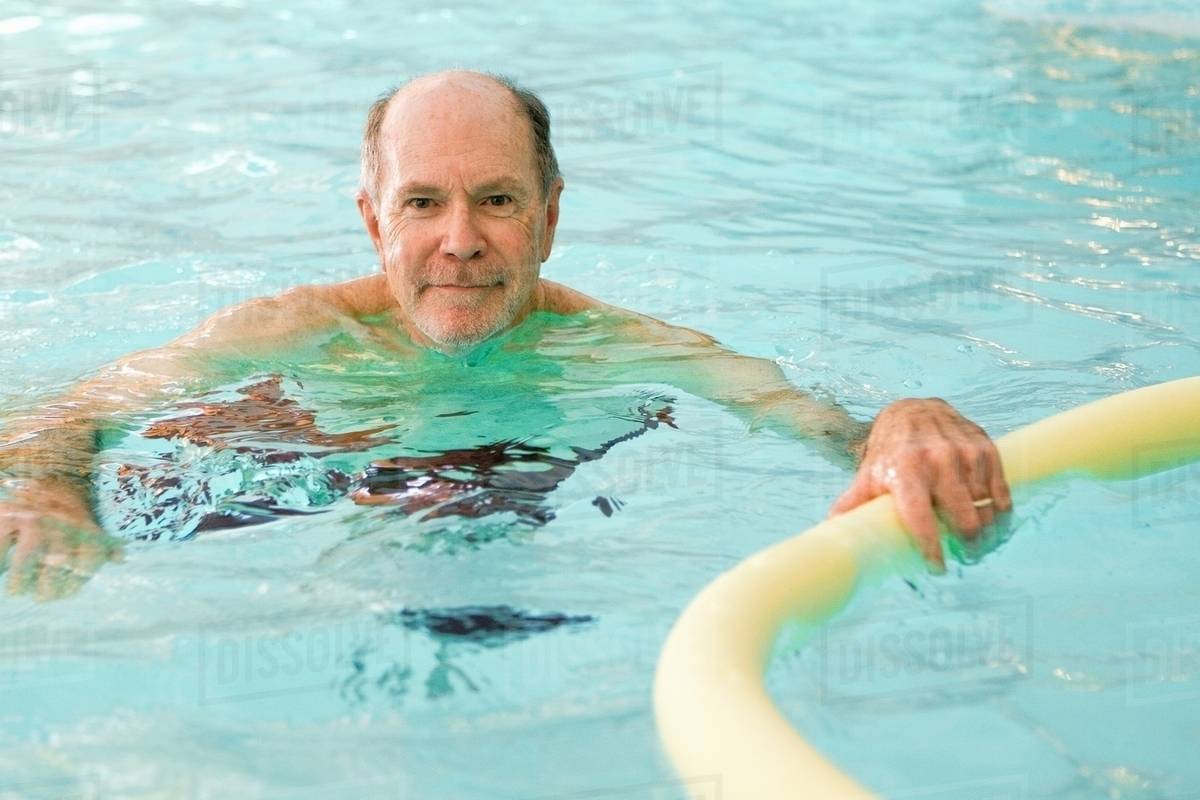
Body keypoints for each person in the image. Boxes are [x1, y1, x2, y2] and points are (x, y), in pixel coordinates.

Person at [0, 70, 1011, 600]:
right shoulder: (288, 333)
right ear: (372, 220)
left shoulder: (623, 346)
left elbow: (834, 429)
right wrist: (51, 491)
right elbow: (67, 416)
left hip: (500, 485)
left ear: (550, 216)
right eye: (424, 203)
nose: (460, 242)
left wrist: (913, 418)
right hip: (279, 472)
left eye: (496, 199)